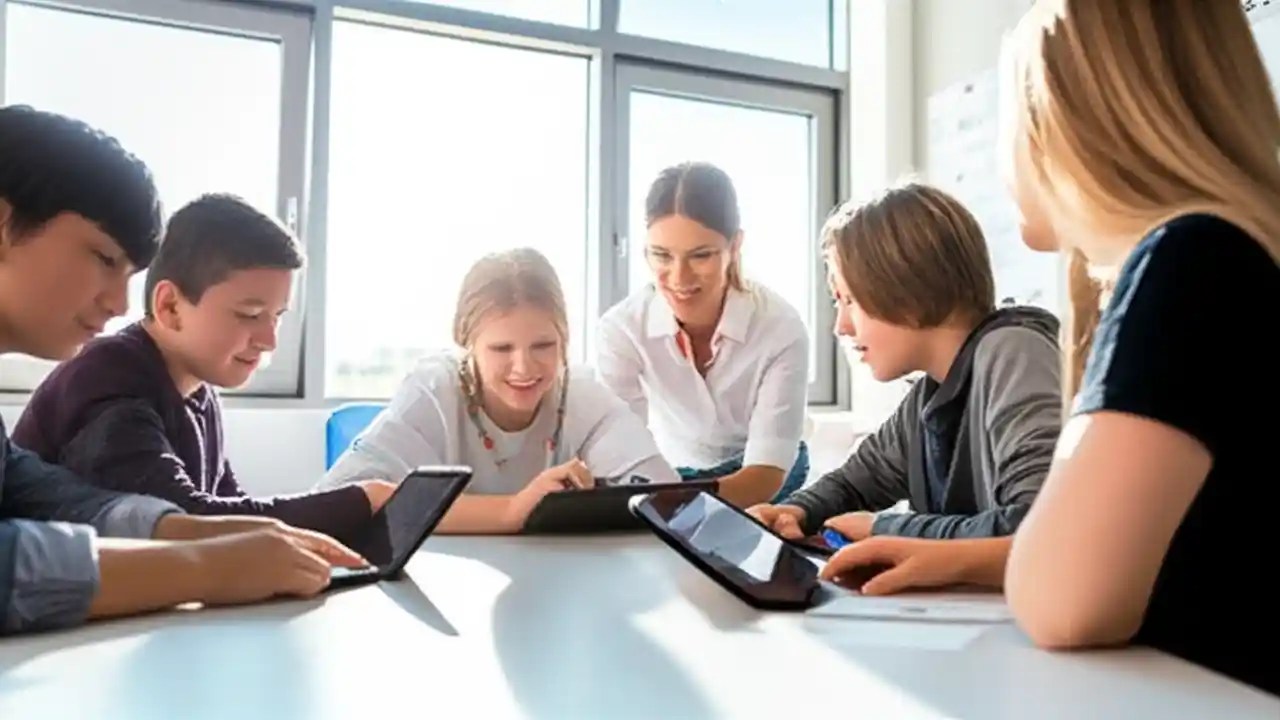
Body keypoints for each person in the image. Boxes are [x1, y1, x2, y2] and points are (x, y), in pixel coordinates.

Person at [820, 0, 1280, 697]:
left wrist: (916, 537)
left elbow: (1060, 596)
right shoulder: (1223, 259)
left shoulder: (1187, 264)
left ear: (1061, 119)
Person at [0, 105, 364, 634]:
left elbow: (40, 493)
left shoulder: (198, 395)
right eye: (103, 258)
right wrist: (204, 566)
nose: (120, 301)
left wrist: (191, 532)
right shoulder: (111, 377)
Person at [13, 194, 394, 545]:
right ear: (171, 307)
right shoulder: (108, 378)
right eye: (249, 315)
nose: (269, 340)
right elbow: (182, 521)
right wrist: (359, 502)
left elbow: (228, 504)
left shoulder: (198, 389)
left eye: (276, 317)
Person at [748, 182, 1061, 541]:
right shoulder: (931, 393)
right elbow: (856, 481)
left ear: (906, 289)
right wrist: (797, 511)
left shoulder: (1015, 352)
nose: (841, 326)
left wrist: (886, 530)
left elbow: (1038, 522)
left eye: (848, 299)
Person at [318, 247, 679, 533]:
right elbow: (335, 499)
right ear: (467, 343)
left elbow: (668, 499)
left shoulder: (580, 394)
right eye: (501, 349)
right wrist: (512, 510)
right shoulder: (435, 391)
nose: (524, 368)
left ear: (564, 339)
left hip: (555, 586)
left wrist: (594, 499)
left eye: (543, 346)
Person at [597, 162, 810, 508]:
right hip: (673, 477)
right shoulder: (621, 329)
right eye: (661, 255)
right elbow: (621, 451)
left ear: (735, 245)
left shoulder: (780, 327)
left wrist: (668, 504)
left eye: (701, 255)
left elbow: (766, 472)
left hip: (765, 478)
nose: (679, 277)